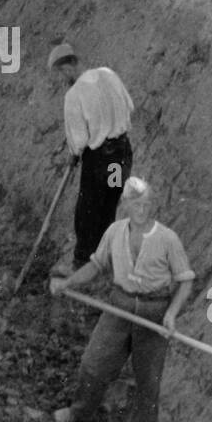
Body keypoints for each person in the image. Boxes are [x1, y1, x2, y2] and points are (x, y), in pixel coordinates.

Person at [50, 177, 195, 422]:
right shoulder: (115, 232)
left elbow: (186, 281)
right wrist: (68, 284)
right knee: (93, 362)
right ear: (126, 205)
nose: (142, 209)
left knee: (148, 380)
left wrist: (170, 314)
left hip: (154, 311)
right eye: (135, 204)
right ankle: (79, 411)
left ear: (153, 205)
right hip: (119, 305)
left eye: (146, 203)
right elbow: (96, 265)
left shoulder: (168, 239)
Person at [47, 41, 134, 271]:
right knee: (109, 204)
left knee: (88, 211)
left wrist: (74, 153)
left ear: (66, 68)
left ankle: (83, 263)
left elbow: (79, 141)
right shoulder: (109, 74)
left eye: (60, 73)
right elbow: (129, 106)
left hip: (100, 160)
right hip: (121, 156)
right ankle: (103, 260)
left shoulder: (74, 95)